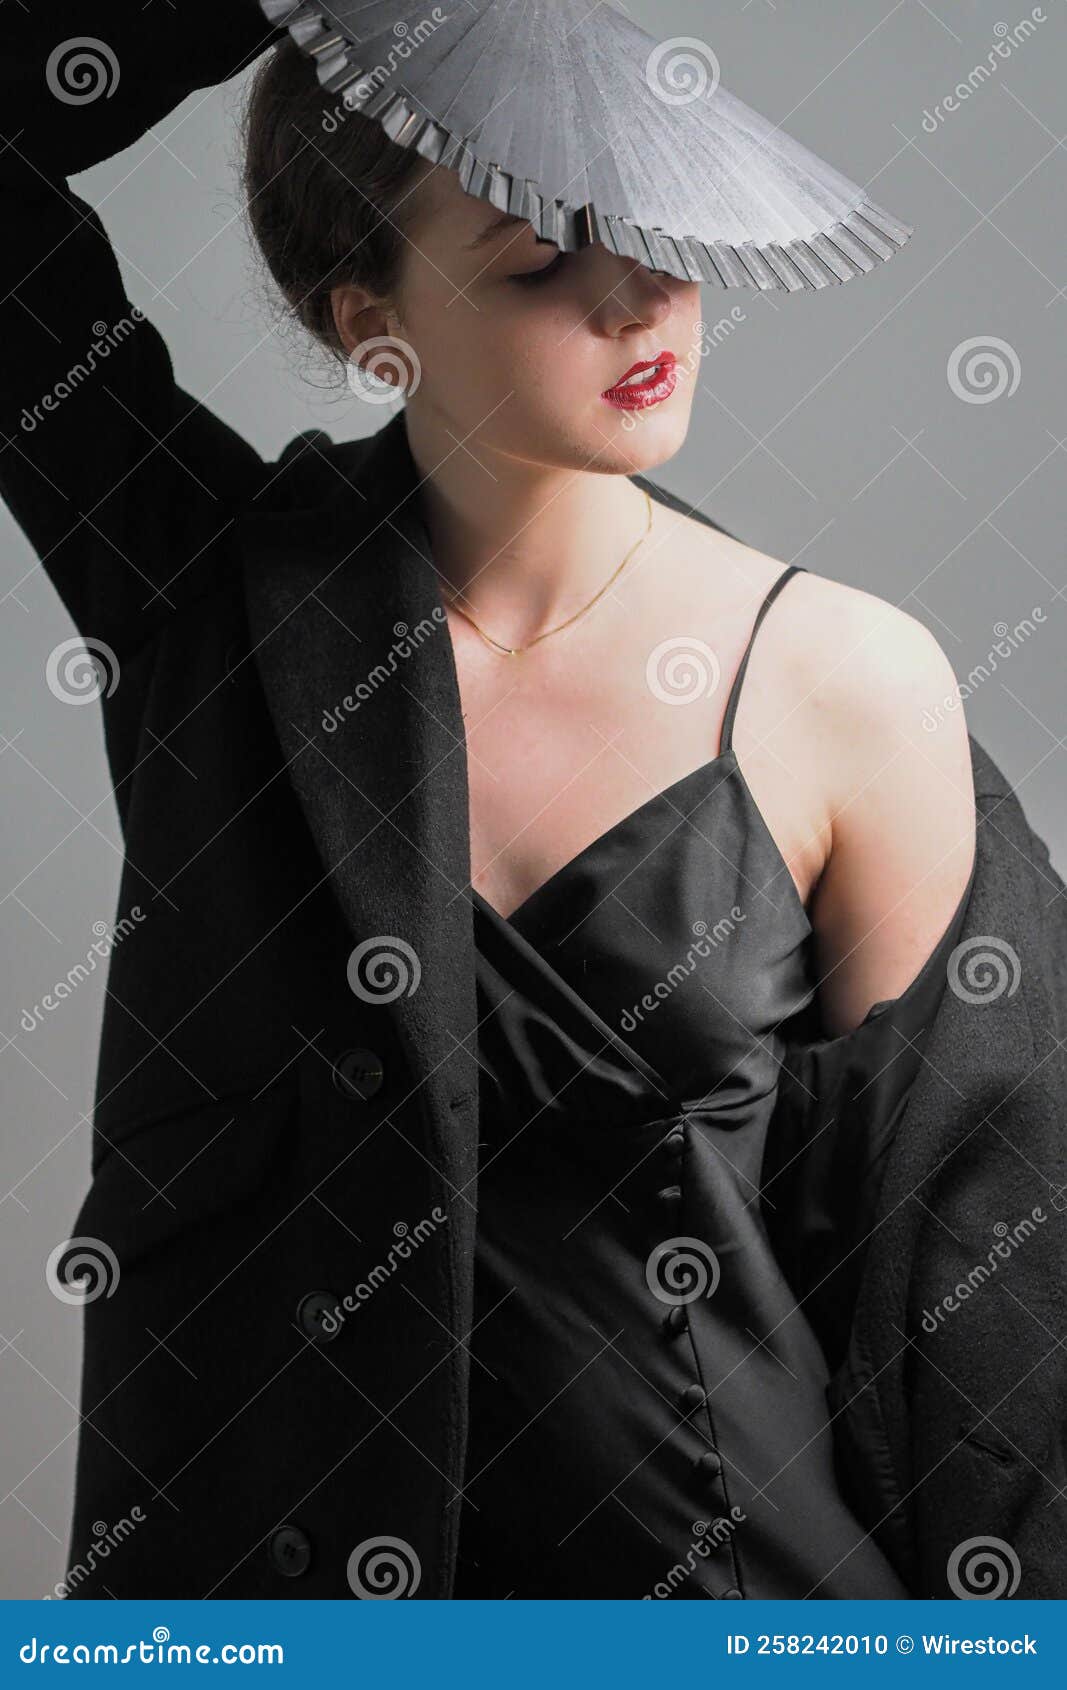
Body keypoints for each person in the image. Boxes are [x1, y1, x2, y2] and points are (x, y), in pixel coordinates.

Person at [1, 4, 991, 1600]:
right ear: (364, 314)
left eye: (649, 222)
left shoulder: (845, 679)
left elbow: (983, 1284)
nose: (640, 293)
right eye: (538, 259)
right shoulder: (206, 603)